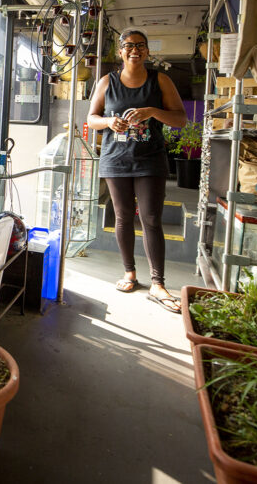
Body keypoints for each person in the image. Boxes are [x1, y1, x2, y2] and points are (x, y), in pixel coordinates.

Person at [87, 29, 188, 313]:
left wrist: (152, 111)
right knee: (122, 216)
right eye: (129, 45)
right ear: (120, 51)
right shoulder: (107, 82)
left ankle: (158, 283)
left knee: (151, 219)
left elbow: (180, 119)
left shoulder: (161, 81)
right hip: (116, 159)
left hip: (150, 160)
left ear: (146, 51)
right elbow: (91, 118)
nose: (135, 50)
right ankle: (129, 272)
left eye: (140, 46)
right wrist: (108, 122)